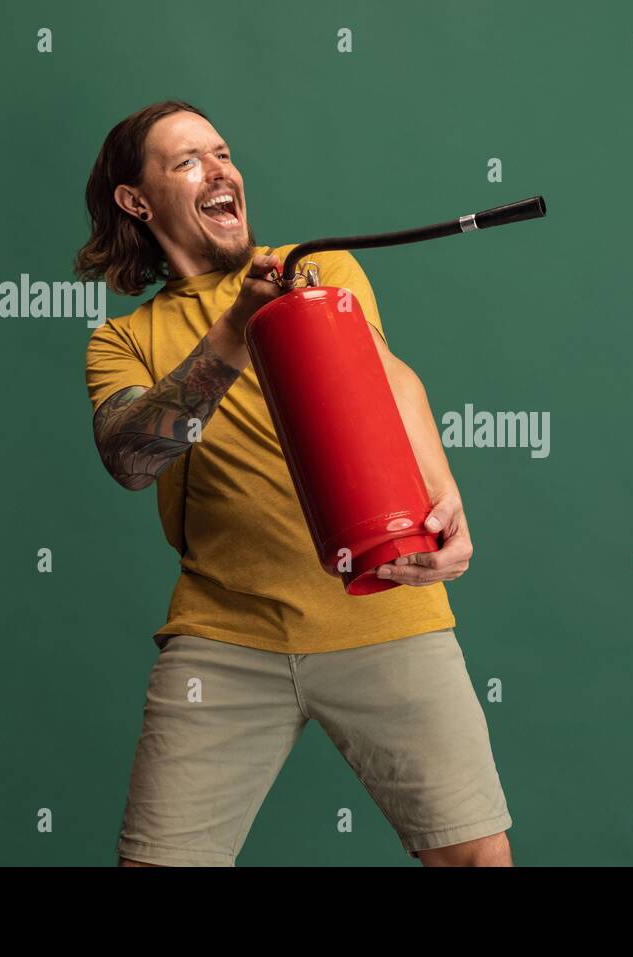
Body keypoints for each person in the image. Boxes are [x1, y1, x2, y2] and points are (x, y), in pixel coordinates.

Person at [76, 100, 512, 867]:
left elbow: (390, 379)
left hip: (384, 613)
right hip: (222, 635)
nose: (220, 171)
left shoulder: (319, 271)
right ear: (136, 202)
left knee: (475, 858)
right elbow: (130, 460)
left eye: (223, 152)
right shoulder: (122, 341)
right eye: (187, 161)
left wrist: (445, 504)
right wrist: (234, 333)